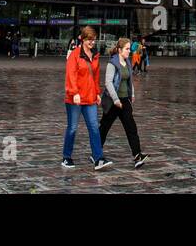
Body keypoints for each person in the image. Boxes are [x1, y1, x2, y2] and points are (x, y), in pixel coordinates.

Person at [62, 26, 111, 170]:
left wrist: (97, 92)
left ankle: (98, 158)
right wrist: (74, 92)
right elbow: (71, 75)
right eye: (89, 40)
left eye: (94, 40)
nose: (92, 42)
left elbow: (95, 76)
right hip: (75, 99)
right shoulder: (75, 55)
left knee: (94, 127)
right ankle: (66, 157)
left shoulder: (95, 55)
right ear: (82, 39)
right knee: (72, 128)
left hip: (90, 98)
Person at [100, 37, 148, 168]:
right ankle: (96, 153)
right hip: (112, 101)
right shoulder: (112, 63)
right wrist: (115, 100)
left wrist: (131, 94)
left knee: (131, 127)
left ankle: (137, 155)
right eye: (127, 49)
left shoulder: (127, 62)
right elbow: (108, 83)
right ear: (120, 50)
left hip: (125, 100)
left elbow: (129, 80)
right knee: (104, 128)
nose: (129, 51)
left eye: (129, 49)